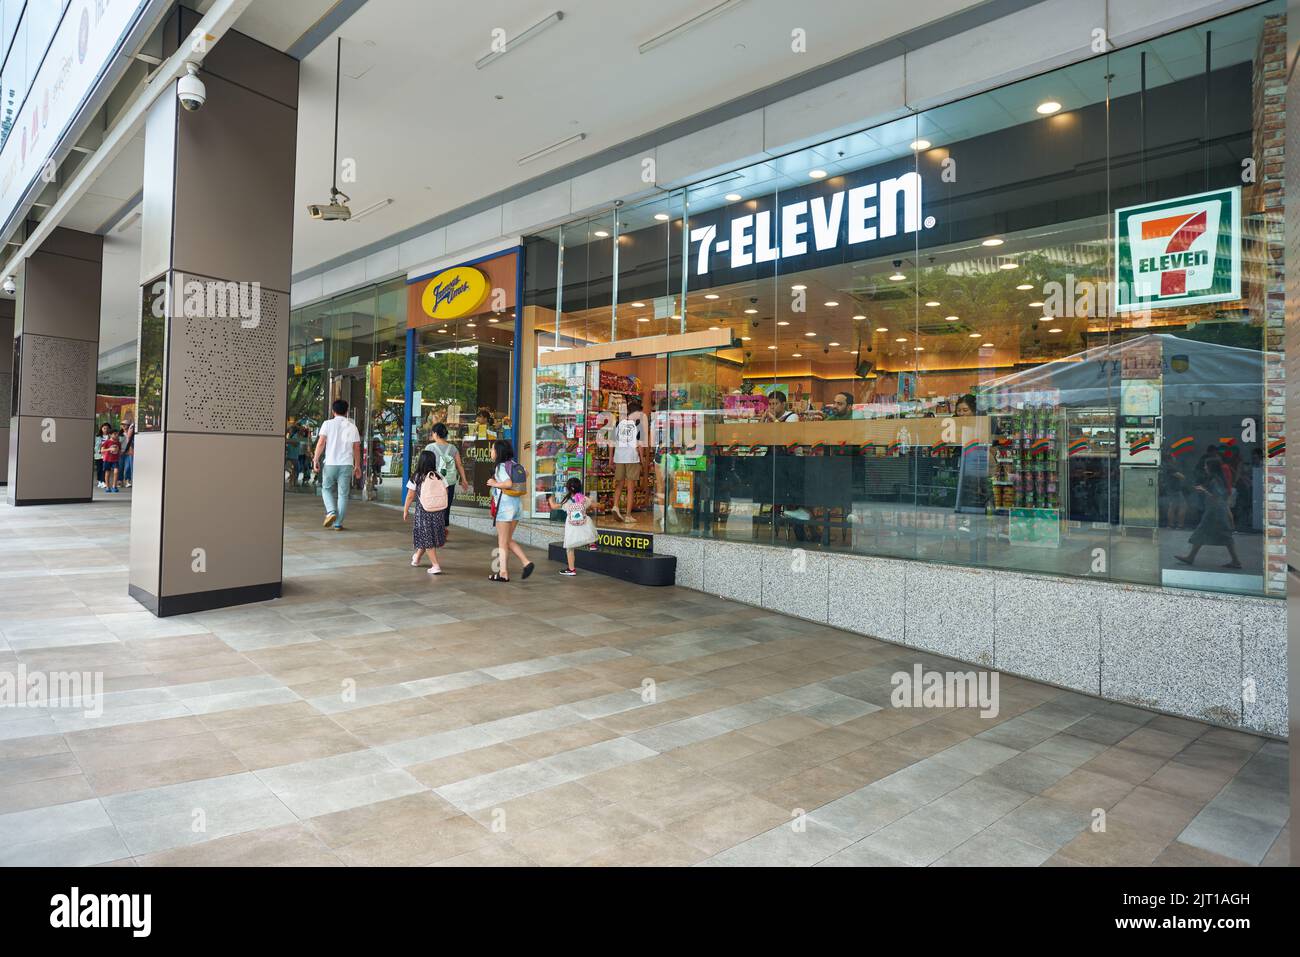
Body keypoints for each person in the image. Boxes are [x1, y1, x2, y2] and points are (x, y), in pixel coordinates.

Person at [1176, 448, 1241, 569]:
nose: (1205, 468)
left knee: (1217, 534)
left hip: (1215, 512)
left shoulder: (1215, 480)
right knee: (1205, 533)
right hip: (1214, 511)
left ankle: (1235, 561)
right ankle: (1191, 557)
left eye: (1206, 466)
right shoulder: (1217, 479)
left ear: (1211, 467)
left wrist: (1203, 490)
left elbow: (1216, 497)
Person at [486, 439, 534, 582]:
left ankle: (504, 572)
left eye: (493, 449)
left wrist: (495, 483)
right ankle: (525, 563)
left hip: (505, 506)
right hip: (517, 506)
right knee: (507, 540)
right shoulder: (514, 465)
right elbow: (526, 474)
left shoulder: (500, 467)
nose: (491, 452)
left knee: (502, 541)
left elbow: (508, 483)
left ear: (498, 452)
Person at [313, 399, 362, 530]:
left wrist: (315, 459)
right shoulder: (352, 427)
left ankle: (331, 511)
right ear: (346, 411)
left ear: (333, 411)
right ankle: (338, 523)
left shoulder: (327, 424)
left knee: (326, 489)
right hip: (346, 464)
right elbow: (356, 448)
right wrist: (357, 466)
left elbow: (321, 443)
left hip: (330, 463)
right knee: (343, 494)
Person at [403, 450, 448, 574]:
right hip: (438, 512)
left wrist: (405, 510)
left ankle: (435, 565)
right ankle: (416, 558)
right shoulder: (439, 476)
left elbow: (410, 496)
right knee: (427, 537)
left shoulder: (416, 477)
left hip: (423, 513)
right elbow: (446, 491)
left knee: (427, 539)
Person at [425, 422, 471, 538]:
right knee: (446, 505)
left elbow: (425, 465)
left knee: (433, 504)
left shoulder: (430, 448)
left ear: (435, 433)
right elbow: (459, 465)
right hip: (449, 482)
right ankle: (443, 529)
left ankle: (435, 530)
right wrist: (464, 480)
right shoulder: (453, 448)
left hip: (434, 482)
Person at [551, 476, 597, 576]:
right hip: (583, 523)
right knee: (588, 531)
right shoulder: (584, 498)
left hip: (572, 525)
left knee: (570, 547)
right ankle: (592, 544)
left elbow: (554, 506)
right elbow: (594, 505)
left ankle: (571, 569)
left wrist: (551, 499)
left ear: (568, 488)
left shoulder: (566, 500)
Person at [610, 397, 646, 523]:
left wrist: (611, 459)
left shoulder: (618, 423)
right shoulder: (638, 425)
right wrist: (642, 460)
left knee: (619, 484)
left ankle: (615, 505)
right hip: (632, 458)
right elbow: (640, 445)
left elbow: (612, 442)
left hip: (619, 457)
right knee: (631, 487)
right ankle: (628, 515)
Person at [100, 426, 122, 493]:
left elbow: (119, 451)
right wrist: (110, 449)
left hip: (115, 460)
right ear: (110, 435)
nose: (116, 435)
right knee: (107, 473)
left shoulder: (118, 442)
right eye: (114, 434)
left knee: (116, 472)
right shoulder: (107, 442)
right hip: (107, 459)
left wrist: (119, 453)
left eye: (117, 434)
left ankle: (114, 486)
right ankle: (107, 487)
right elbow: (102, 450)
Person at [120, 416, 135, 488]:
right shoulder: (119, 434)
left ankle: (127, 480)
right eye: (122, 424)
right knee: (120, 467)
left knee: (128, 467)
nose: (123, 425)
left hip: (129, 452)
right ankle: (119, 481)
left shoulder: (132, 434)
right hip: (121, 453)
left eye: (125, 424)